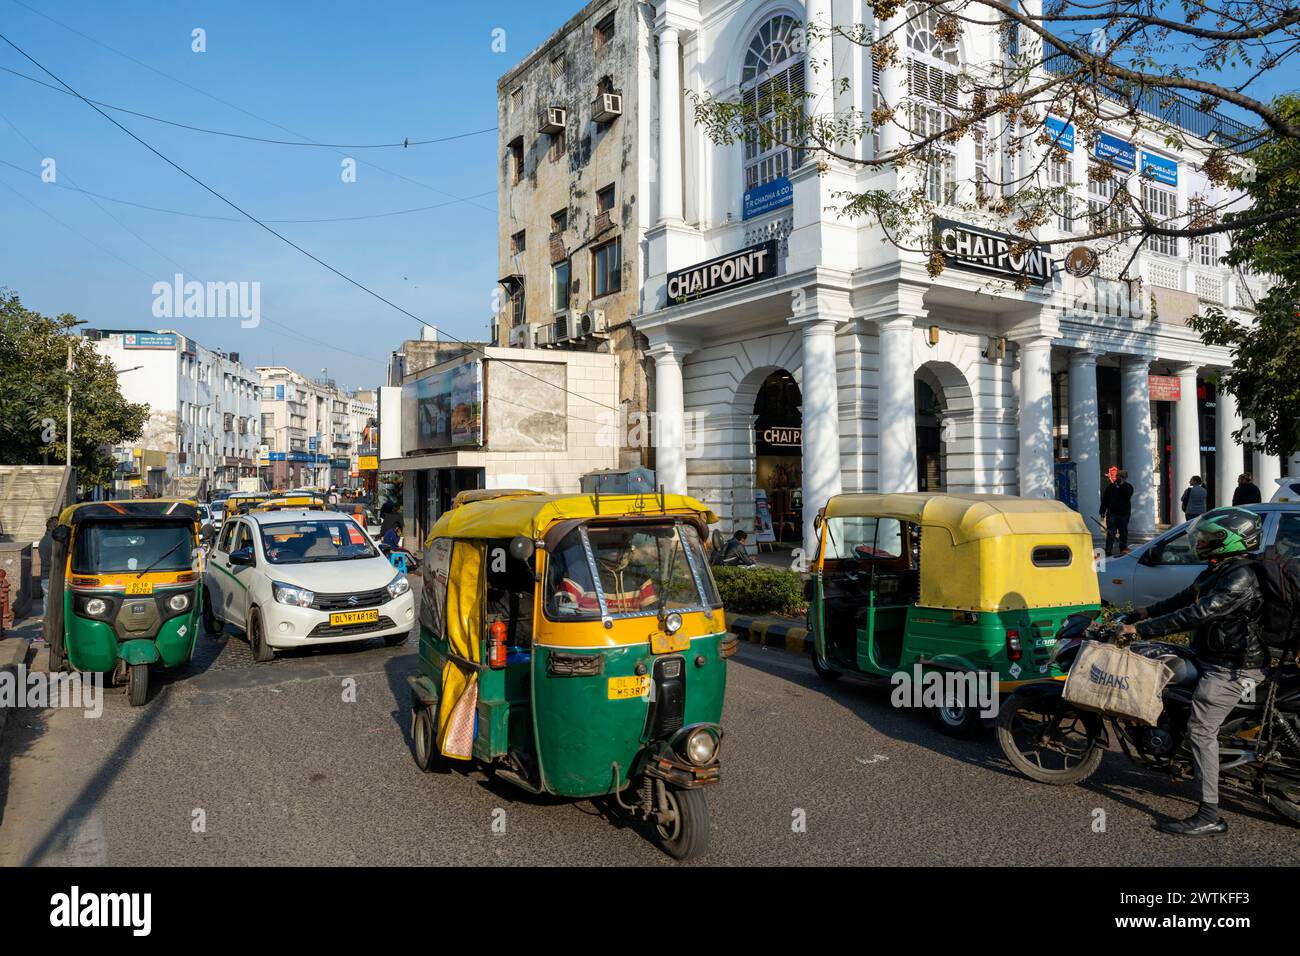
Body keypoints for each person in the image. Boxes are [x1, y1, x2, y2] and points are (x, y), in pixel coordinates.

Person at [1120, 507, 1268, 836]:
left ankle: (1210, 814)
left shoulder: (1241, 576)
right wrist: (1143, 612)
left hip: (1233, 669)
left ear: (1228, 540)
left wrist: (1141, 630)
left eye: (1208, 537)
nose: (1200, 542)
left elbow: (1198, 614)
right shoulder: (1219, 569)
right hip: (1211, 656)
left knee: (1202, 731)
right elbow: (1187, 599)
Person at [1100, 468, 1134, 556]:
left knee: (1123, 532)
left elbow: (1128, 495)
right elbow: (1105, 500)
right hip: (1112, 514)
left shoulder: (1128, 487)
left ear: (1125, 478)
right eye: (1118, 476)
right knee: (1111, 533)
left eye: (1121, 477)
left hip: (1123, 514)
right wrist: (1102, 512)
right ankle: (1108, 550)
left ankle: (1123, 549)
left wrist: (1122, 485)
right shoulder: (1110, 487)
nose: (1119, 478)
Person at [36, 516, 57, 603]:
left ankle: (46, 617)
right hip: (53, 577)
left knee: (47, 601)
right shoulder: (54, 541)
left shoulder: (43, 540)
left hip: (45, 576)